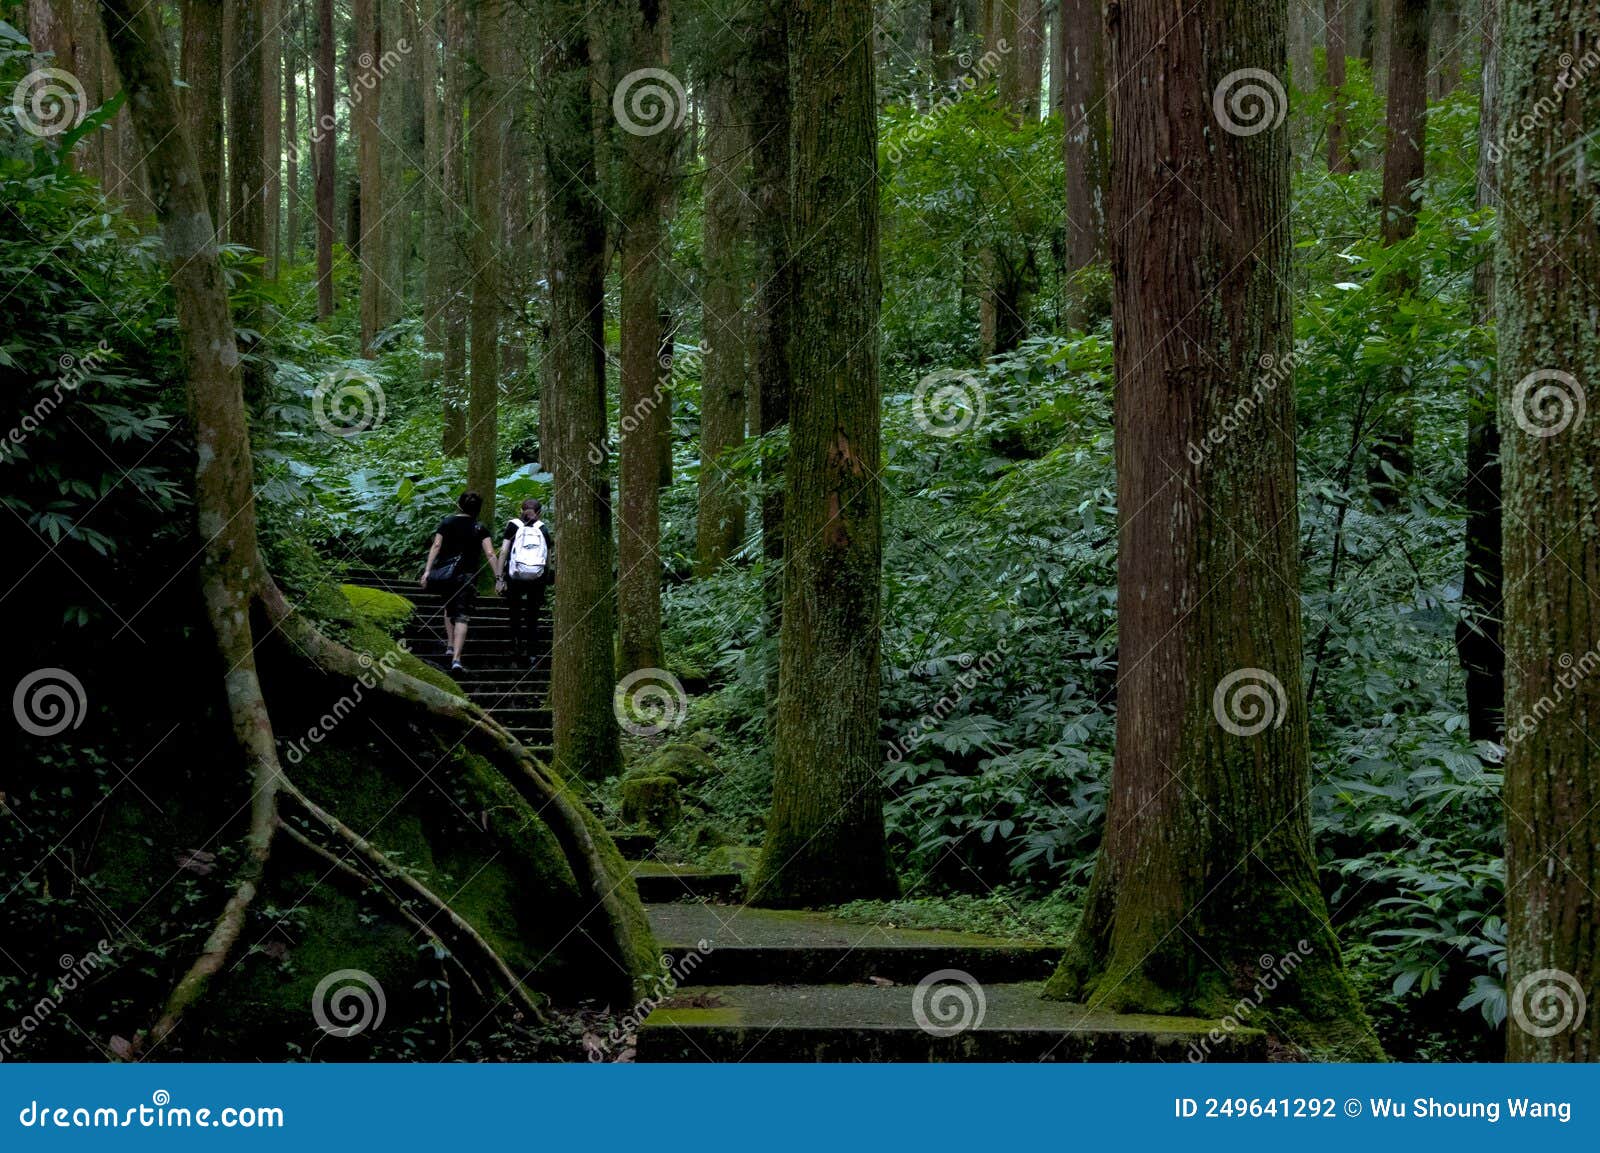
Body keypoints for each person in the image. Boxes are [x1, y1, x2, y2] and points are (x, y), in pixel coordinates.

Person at [420, 491, 501, 673]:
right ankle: (456, 659)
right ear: (478, 509)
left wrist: (427, 571)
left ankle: (449, 645)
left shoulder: (447, 522)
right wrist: (498, 577)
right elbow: (490, 553)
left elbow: (436, 545)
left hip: (447, 574)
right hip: (467, 575)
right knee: (462, 615)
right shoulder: (479, 527)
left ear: (459, 505)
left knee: (448, 608)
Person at [497, 498, 553, 669]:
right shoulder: (542, 528)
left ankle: (515, 650)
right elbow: (547, 557)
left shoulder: (513, 525)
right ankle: (532, 654)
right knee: (532, 615)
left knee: (514, 612)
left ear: (520, 510)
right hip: (537, 577)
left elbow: (504, 551)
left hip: (515, 575)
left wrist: (499, 577)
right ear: (539, 513)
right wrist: (545, 577)